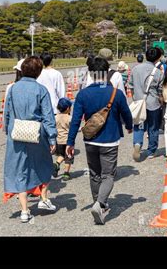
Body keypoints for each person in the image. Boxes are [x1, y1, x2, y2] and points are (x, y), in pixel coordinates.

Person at [66, 57, 133, 225]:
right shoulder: (115, 93)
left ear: (91, 73)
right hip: (110, 140)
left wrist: (70, 142)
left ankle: (98, 202)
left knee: (95, 174)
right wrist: (130, 126)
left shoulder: (83, 94)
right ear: (107, 73)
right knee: (108, 174)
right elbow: (126, 113)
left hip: (90, 140)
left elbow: (75, 120)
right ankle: (101, 204)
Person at [3, 56, 58, 223]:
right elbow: (48, 116)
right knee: (45, 163)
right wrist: (52, 137)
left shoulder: (13, 88)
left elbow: (7, 112)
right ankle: (43, 198)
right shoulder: (41, 90)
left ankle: (24, 211)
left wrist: (8, 128)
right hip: (36, 131)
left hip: (17, 131)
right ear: (39, 72)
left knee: (19, 167)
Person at [130, 47, 164, 160]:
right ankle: (151, 151)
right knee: (153, 127)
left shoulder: (135, 69)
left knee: (138, 125)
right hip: (153, 103)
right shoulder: (158, 72)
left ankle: (137, 143)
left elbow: (130, 86)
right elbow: (160, 91)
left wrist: (135, 97)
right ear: (158, 58)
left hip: (139, 101)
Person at [53, 98, 73, 181]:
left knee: (61, 155)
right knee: (68, 157)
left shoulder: (55, 117)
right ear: (68, 108)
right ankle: (66, 173)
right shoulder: (69, 118)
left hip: (58, 140)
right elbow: (73, 128)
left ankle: (57, 164)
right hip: (67, 141)